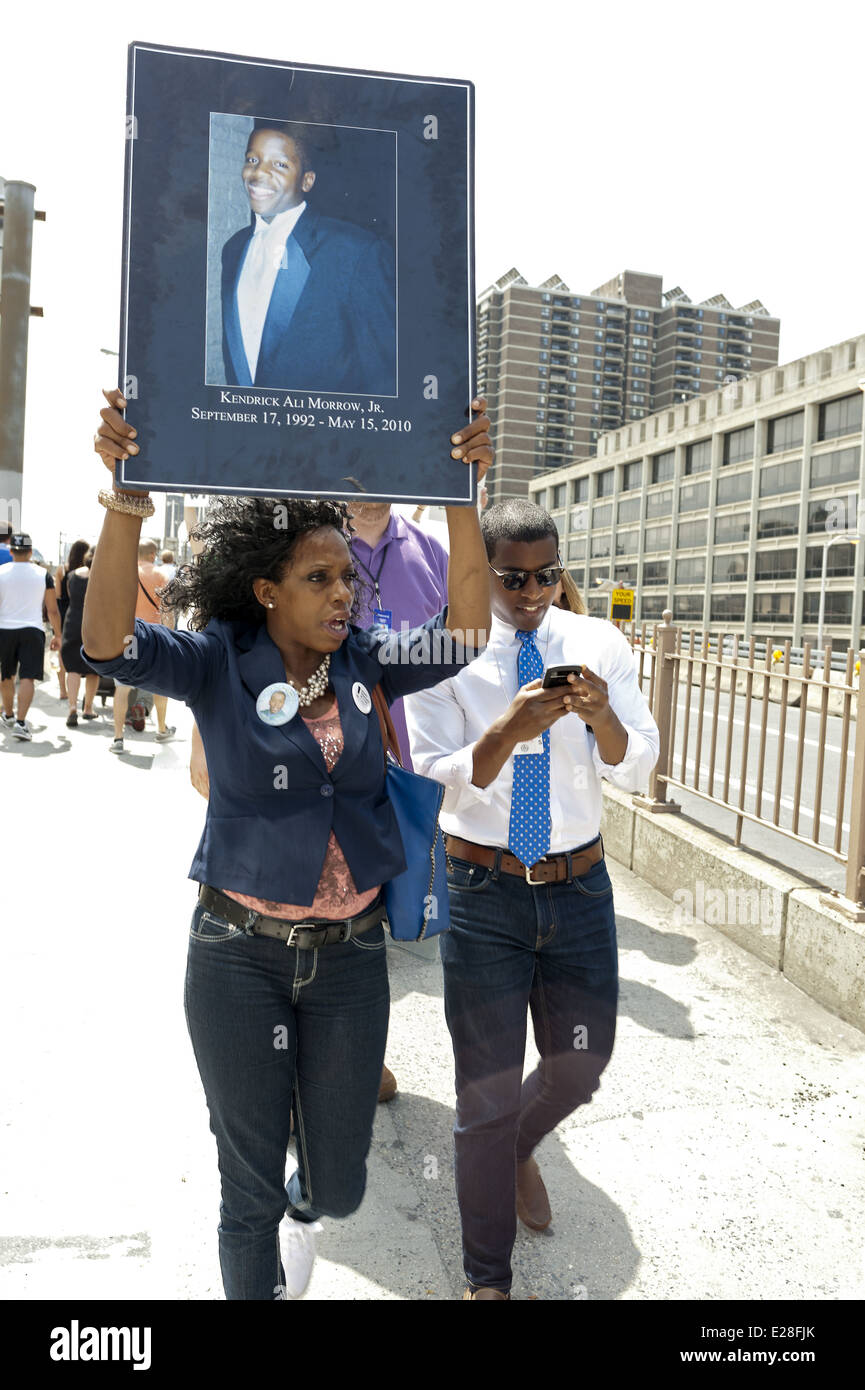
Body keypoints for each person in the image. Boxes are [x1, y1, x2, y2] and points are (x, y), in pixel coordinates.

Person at [86, 386, 492, 1301]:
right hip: (236, 958)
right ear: (265, 590)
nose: (344, 592)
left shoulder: (363, 661)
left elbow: (466, 630)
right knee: (246, 1188)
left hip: (349, 958)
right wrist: (123, 501)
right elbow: (106, 642)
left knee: (341, 1174)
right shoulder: (214, 660)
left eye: (349, 578)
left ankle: (309, 1213)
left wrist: (465, 493)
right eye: (320, 579)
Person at [405, 499, 659, 1301]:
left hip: (578, 886)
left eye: (546, 574)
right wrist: (508, 730)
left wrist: (602, 717)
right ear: (481, 571)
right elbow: (432, 764)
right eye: (512, 577)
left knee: (579, 1066)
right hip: (483, 889)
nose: (530, 592)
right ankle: (488, 1278)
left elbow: (636, 763)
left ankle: (515, 1146)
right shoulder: (438, 651)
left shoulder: (596, 644)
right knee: (482, 1093)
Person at [220, 121, 395, 395]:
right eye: (253, 159)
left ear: (306, 180)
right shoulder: (233, 249)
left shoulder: (357, 250)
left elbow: (385, 376)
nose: (258, 173)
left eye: (279, 165)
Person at [110, 541, 176, 753]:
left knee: (122, 686)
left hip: (127, 634)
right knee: (159, 684)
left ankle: (118, 739)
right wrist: (170, 637)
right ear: (152, 554)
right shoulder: (160, 575)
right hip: (153, 635)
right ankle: (161, 729)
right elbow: (167, 610)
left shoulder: (123, 573)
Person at [0, 533, 62, 741]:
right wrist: (57, 635)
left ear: (11, 551)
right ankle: (20, 723)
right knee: (28, 677)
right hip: (33, 630)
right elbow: (52, 610)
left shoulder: (1, 572)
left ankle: (8, 715)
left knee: (6, 675)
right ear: (30, 551)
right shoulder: (43, 574)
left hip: (4, 629)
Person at [60, 547, 100, 727]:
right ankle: (88, 709)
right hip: (95, 623)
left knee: (73, 668)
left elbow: (69, 596)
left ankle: (72, 708)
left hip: (73, 621)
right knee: (93, 668)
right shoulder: (103, 576)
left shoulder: (72, 575)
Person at [55, 539, 91, 702]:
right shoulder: (90, 572)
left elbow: (57, 594)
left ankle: (63, 690)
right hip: (81, 613)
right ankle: (86, 699)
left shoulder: (63, 570)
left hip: (65, 613)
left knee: (64, 653)